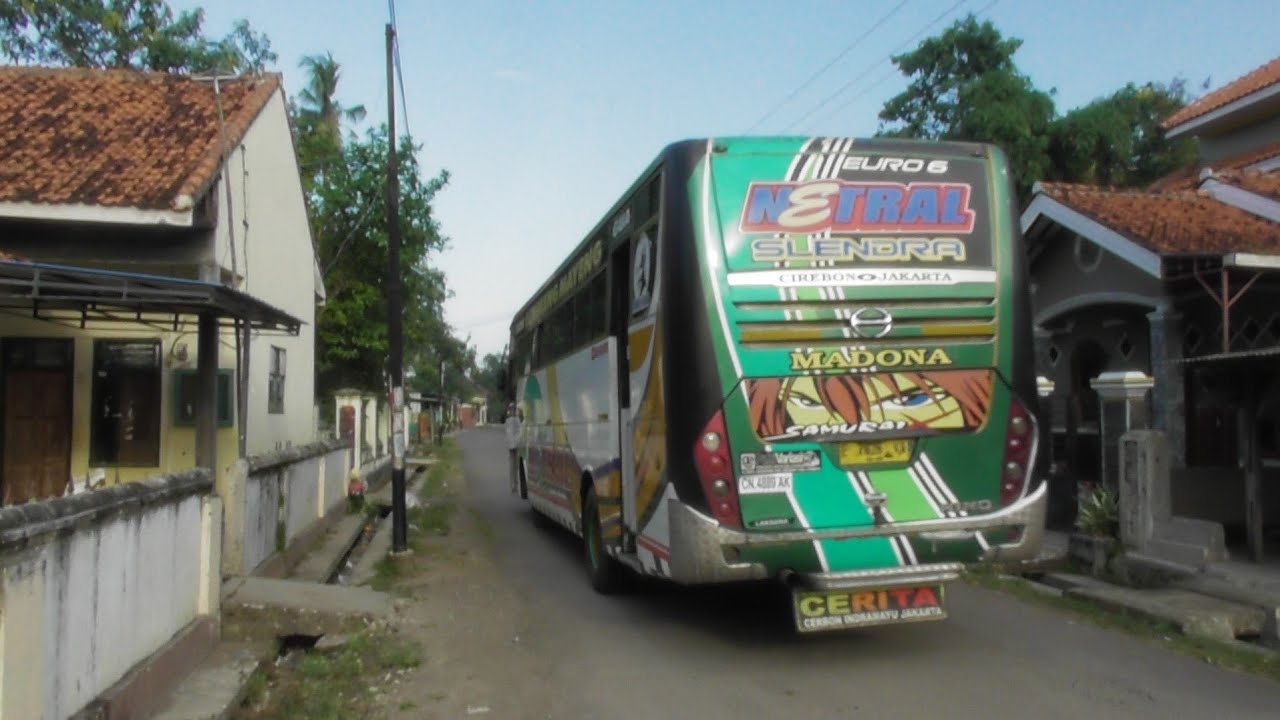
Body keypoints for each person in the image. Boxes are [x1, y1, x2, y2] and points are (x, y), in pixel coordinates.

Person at [504, 403, 522, 493]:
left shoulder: (517, 420)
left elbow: (519, 432)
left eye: (513, 409)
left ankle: (516, 484)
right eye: (511, 409)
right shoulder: (508, 421)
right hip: (511, 446)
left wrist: (517, 442)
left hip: (517, 445)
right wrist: (510, 443)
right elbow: (508, 433)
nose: (512, 411)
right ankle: (513, 485)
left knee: (517, 466)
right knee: (512, 467)